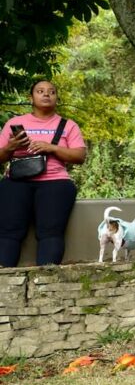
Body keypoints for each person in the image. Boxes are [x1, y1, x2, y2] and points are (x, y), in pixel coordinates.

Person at [0, 80, 86, 267]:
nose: (46, 94)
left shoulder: (68, 125)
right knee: (9, 231)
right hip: (16, 182)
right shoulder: (15, 123)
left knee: (50, 232)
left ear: (56, 98)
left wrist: (51, 148)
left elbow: (80, 156)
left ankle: (45, 281)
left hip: (55, 182)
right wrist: (11, 147)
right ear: (31, 98)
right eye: (40, 91)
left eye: (51, 92)